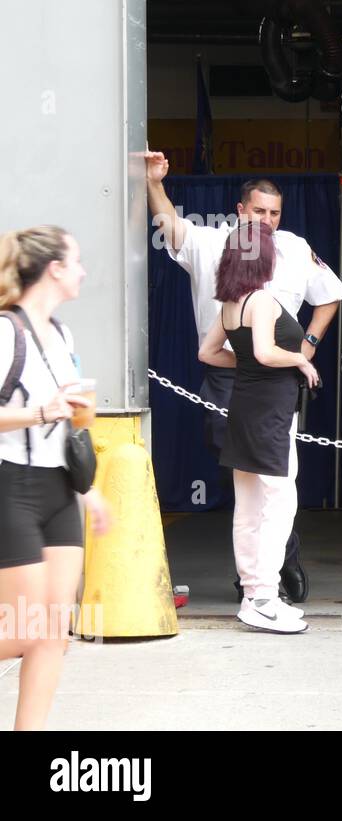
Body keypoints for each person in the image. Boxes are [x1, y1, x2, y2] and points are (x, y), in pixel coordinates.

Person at [144, 152, 342, 603]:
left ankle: (267, 571)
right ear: (239, 211)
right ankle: (263, 569)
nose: (268, 220)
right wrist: (154, 184)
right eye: (259, 211)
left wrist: (306, 347)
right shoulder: (212, 242)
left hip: (279, 378)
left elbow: (331, 295)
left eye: (275, 213)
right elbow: (172, 227)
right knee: (242, 476)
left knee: (274, 481)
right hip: (228, 374)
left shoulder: (294, 246)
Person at [0, 225, 112, 729]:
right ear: (55, 269)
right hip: (11, 485)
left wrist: (89, 489)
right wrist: (40, 412)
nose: (84, 271)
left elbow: (68, 418)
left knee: (52, 632)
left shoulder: (62, 333)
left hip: (60, 488)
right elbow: (41, 412)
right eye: (78, 261)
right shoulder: (6, 332)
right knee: (21, 631)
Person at [198, 221, 319, 634]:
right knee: (279, 503)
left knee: (248, 506)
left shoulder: (230, 303)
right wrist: (300, 359)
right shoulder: (262, 301)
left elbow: (208, 352)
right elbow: (268, 353)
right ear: (264, 259)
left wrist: (246, 362)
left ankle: (254, 595)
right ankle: (265, 597)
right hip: (270, 412)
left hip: (244, 408)